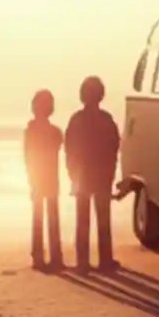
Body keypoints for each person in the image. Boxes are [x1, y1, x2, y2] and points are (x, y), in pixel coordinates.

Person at [65, 76, 121, 272]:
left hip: (82, 174)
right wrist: (112, 172)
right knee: (103, 219)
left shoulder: (76, 119)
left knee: (82, 219)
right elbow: (114, 147)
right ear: (101, 95)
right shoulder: (106, 119)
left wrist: (71, 173)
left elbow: (69, 149)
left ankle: (83, 262)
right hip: (102, 174)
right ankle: (105, 260)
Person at [24, 89, 64, 270]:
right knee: (50, 215)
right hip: (47, 175)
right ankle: (53, 256)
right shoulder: (54, 132)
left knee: (39, 216)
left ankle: (39, 256)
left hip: (39, 176)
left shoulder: (31, 131)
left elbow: (27, 156)